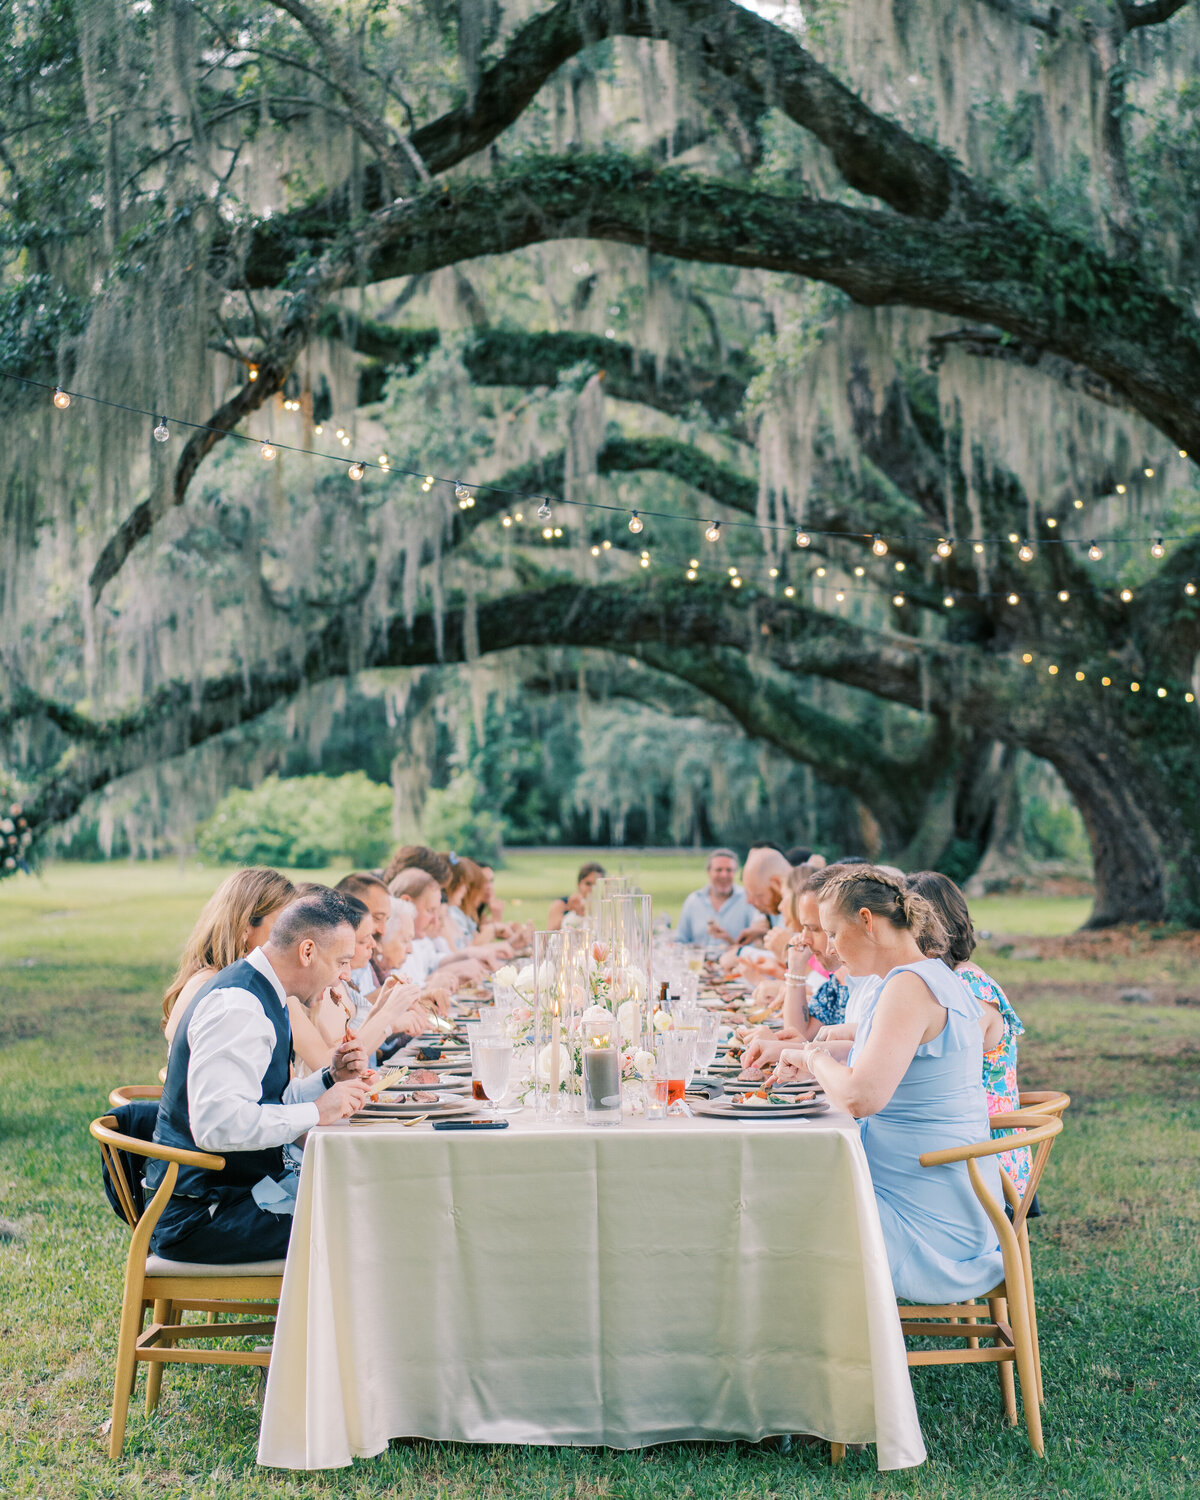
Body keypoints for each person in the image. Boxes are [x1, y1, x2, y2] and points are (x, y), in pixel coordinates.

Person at [776, 867, 1004, 1304]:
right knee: (791, 1189)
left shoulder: (909, 987)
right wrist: (806, 1058)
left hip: (930, 1226)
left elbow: (859, 1097)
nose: (830, 948)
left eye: (833, 933)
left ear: (867, 921)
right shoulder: (929, 976)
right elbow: (880, 1065)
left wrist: (813, 1058)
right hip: (949, 1203)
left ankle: (819, 1340)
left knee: (782, 1204)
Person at [147, 890, 371, 1263]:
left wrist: (330, 1078)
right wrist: (317, 1111)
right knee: (365, 1220)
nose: (345, 976)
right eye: (342, 962)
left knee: (364, 1199)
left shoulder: (264, 991)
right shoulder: (239, 1007)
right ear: (307, 951)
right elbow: (217, 1125)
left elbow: (266, 1101)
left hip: (236, 1194)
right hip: (202, 1215)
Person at [907, 870, 1030, 1197]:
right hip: (965, 1143)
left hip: (988, 1158)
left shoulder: (969, 987)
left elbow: (945, 1067)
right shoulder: (950, 982)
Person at [162, 868, 296, 1048]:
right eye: (284, 923)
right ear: (246, 926)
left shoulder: (244, 983)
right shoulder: (211, 987)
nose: (293, 935)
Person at [674, 849, 757, 948]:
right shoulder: (693, 900)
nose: (724, 875)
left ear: (735, 872)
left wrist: (729, 940)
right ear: (709, 872)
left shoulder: (748, 900)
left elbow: (756, 946)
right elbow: (680, 940)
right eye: (719, 870)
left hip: (735, 957)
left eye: (729, 870)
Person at [547, 861, 606, 931]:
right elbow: (551, 933)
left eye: (596, 884)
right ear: (579, 884)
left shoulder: (605, 907)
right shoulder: (562, 904)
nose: (592, 888)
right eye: (588, 884)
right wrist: (574, 912)